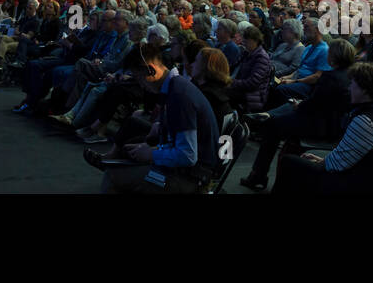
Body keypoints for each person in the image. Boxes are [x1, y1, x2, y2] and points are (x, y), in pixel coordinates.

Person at [97, 45, 220, 194]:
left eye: (138, 77)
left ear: (151, 71)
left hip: (189, 178)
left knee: (114, 175)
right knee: (125, 160)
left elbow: (187, 155)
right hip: (191, 172)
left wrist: (151, 154)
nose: (140, 84)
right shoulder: (177, 87)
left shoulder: (179, 96)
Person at [239, 37, 355, 191]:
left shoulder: (330, 77)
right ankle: (265, 116)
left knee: (273, 127)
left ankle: (258, 175)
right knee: (290, 105)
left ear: (333, 56)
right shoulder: (350, 75)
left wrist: (300, 105)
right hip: (333, 123)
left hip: (319, 124)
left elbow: (314, 105)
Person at [271, 61, 373, 194]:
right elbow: (349, 156)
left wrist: (323, 162)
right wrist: (324, 160)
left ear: (365, 89)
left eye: (353, 83)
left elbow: (337, 166)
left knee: (289, 162)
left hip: (355, 186)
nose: (349, 87)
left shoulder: (365, 121)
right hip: (370, 182)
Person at [272, 16, 330, 100]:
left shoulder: (324, 50)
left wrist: (293, 81)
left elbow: (317, 77)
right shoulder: (308, 47)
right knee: (272, 82)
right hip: (298, 79)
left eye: (306, 27)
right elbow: (300, 69)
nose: (303, 30)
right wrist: (288, 76)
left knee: (281, 89)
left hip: (308, 85)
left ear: (317, 29)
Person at [227, 25, 271, 113]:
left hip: (254, 96)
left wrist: (232, 82)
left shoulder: (261, 57)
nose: (244, 42)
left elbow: (252, 83)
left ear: (255, 40)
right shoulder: (247, 53)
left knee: (221, 94)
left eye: (247, 40)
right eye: (244, 39)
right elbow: (233, 66)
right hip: (243, 89)